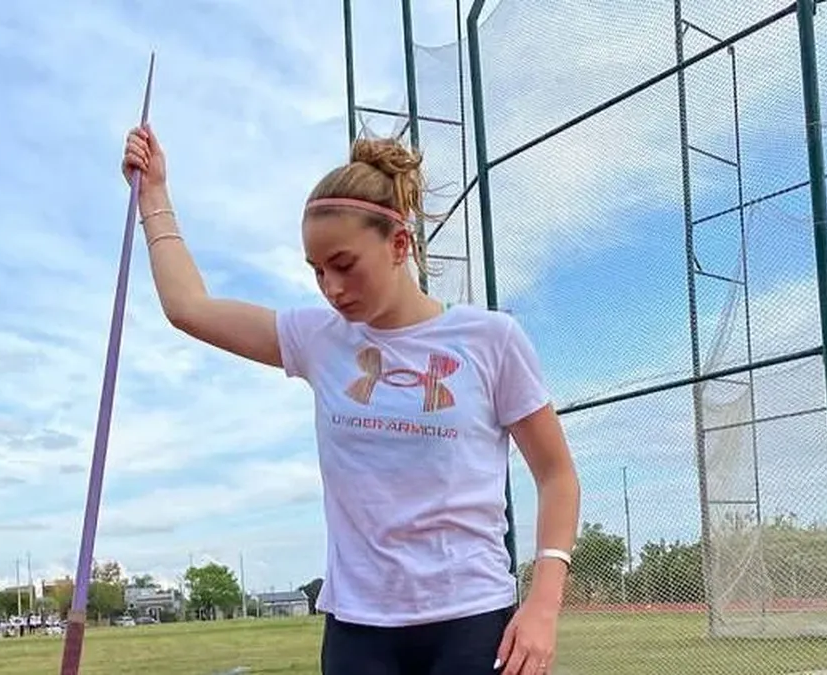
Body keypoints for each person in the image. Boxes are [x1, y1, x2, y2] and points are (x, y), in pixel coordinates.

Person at [121, 125, 580, 675]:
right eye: (317, 272)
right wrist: (154, 195)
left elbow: (556, 474)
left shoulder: (492, 340)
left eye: (344, 264)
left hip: (473, 619)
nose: (331, 288)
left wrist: (544, 604)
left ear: (399, 244)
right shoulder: (319, 338)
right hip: (359, 630)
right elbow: (188, 307)